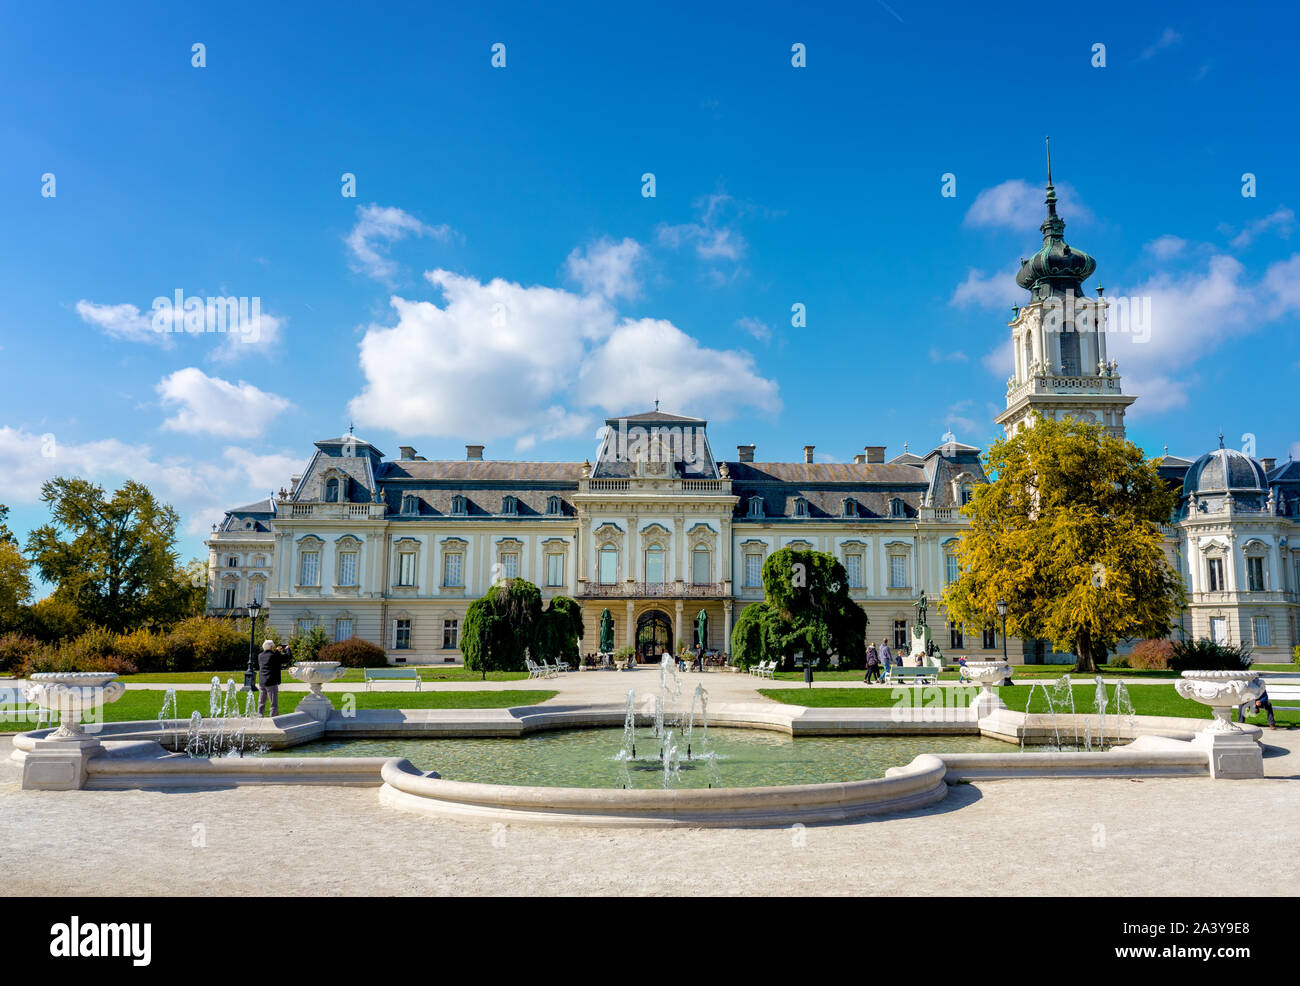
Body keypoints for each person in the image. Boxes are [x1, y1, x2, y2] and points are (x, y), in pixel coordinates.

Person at [255, 640, 288, 717]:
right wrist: (287, 649)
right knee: (273, 702)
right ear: (271, 647)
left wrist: (277, 651)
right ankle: (273, 717)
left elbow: (271, 658)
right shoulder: (273, 655)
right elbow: (286, 658)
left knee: (261, 701)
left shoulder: (260, 655)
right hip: (271, 681)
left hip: (262, 681)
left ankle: (260, 716)